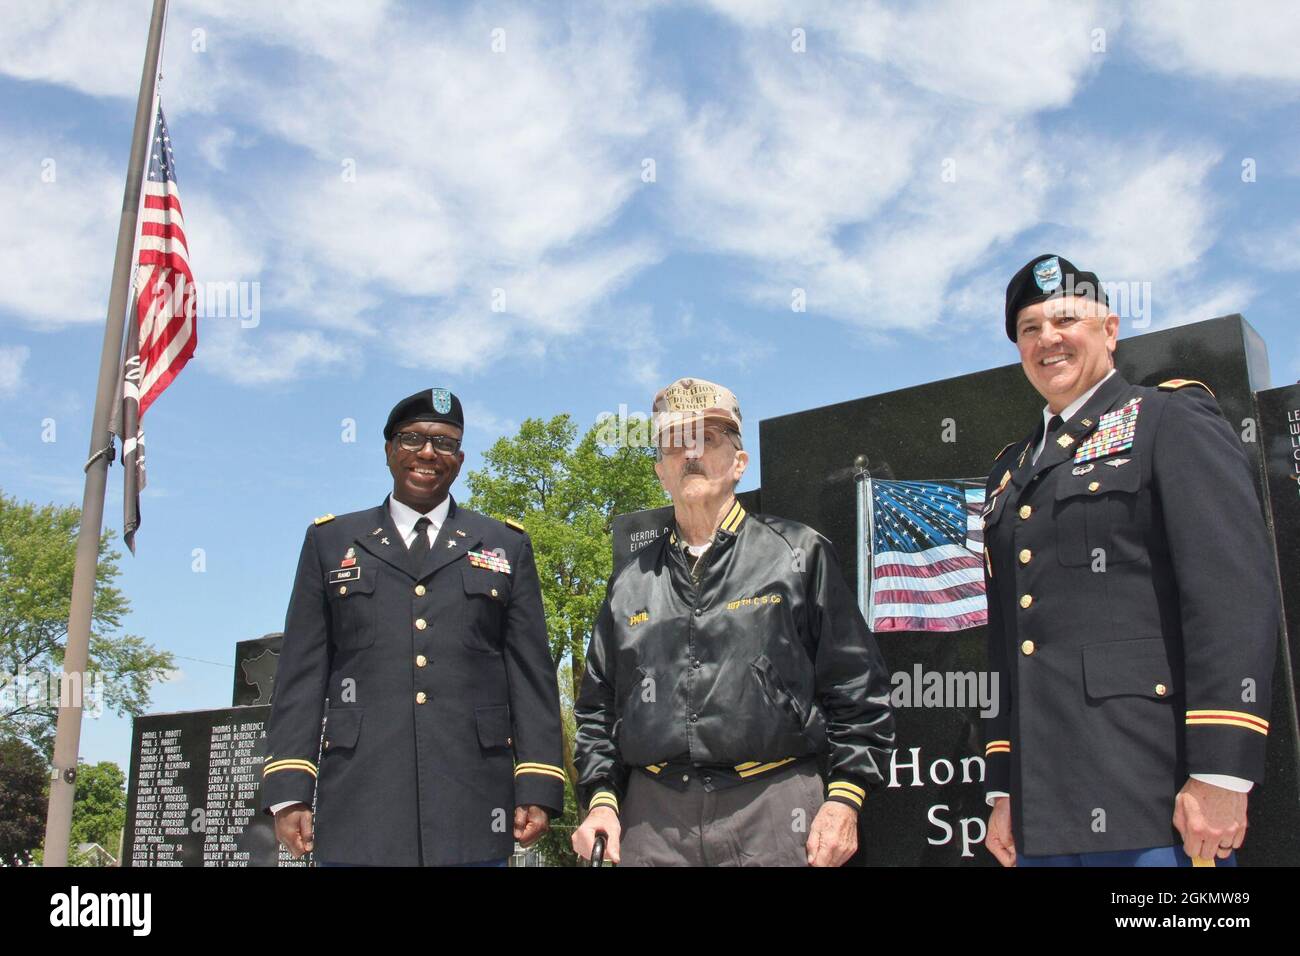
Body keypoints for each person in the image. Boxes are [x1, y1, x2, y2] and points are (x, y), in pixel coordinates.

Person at [981, 254, 1278, 867]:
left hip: (1155, 795)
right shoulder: (1010, 469)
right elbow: (1009, 639)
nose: (1047, 339)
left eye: (1065, 319)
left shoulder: (1168, 418)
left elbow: (1231, 596)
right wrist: (1006, 785)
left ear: (1109, 330)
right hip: (1043, 807)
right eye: (1029, 329)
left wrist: (1222, 771)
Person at [571, 377, 895, 866]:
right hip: (651, 823)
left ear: (739, 463)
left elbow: (857, 686)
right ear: (661, 471)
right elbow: (595, 710)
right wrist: (600, 798)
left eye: (709, 438)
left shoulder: (798, 554)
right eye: (676, 443)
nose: (692, 453)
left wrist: (845, 796)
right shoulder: (629, 583)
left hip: (774, 811)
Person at [261, 388, 565, 866]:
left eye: (444, 443)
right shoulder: (332, 541)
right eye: (412, 439)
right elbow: (301, 673)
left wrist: (539, 780)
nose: (427, 452)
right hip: (360, 803)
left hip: (473, 803)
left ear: (459, 459)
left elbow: (531, 675)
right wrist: (289, 787)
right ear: (388, 451)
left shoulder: (504, 544)